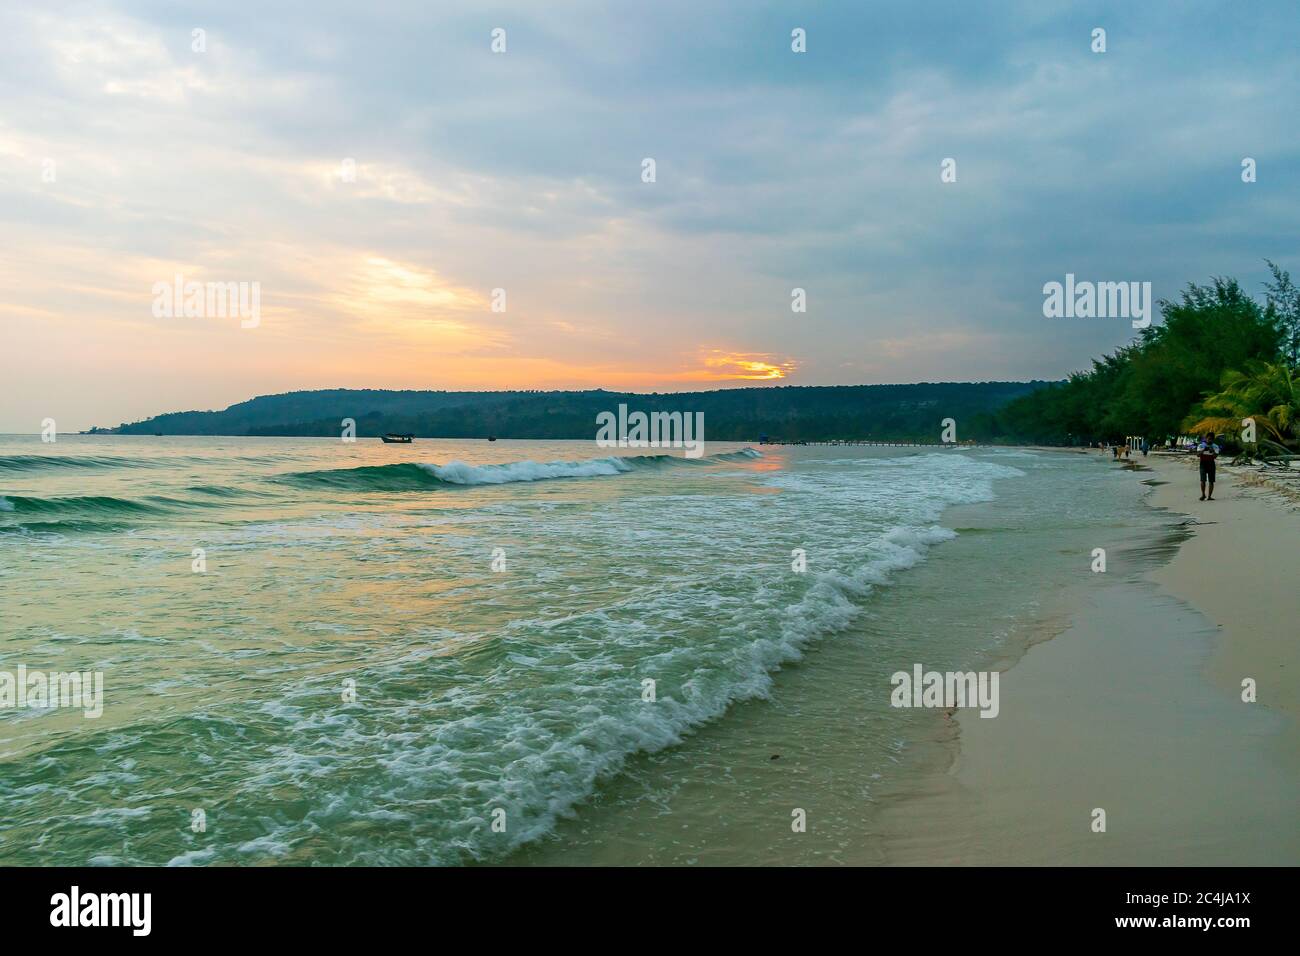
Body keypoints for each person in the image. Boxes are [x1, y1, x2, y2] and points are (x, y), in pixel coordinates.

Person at [1197, 433, 1220, 501]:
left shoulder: (1215, 446)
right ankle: (1203, 494)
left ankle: (1209, 496)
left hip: (1211, 463)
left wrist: (1212, 451)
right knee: (1202, 480)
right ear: (1206, 438)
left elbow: (1215, 456)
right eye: (1208, 439)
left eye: (1211, 439)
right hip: (1203, 463)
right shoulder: (1201, 445)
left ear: (1213, 440)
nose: (1209, 440)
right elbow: (1198, 455)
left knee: (1211, 481)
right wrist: (1204, 450)